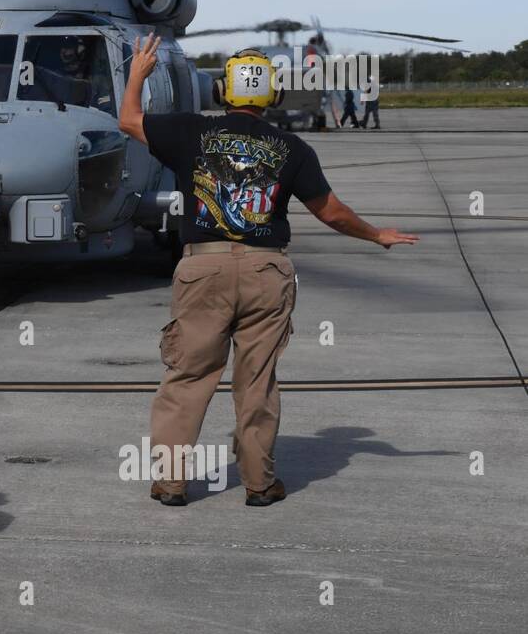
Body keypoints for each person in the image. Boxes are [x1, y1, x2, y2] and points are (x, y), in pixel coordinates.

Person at [118, 38, 418, 506]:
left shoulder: (188, 133)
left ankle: (172, 482)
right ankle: (259, 485)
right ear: (273, 97)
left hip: (204, 268)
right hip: (266, 271)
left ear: (222, 92)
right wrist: (376, 235)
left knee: (188, 377)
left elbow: (128, 121)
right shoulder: (291, 148)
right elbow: (332, 213)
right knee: (256, 380)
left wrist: (138, 73)